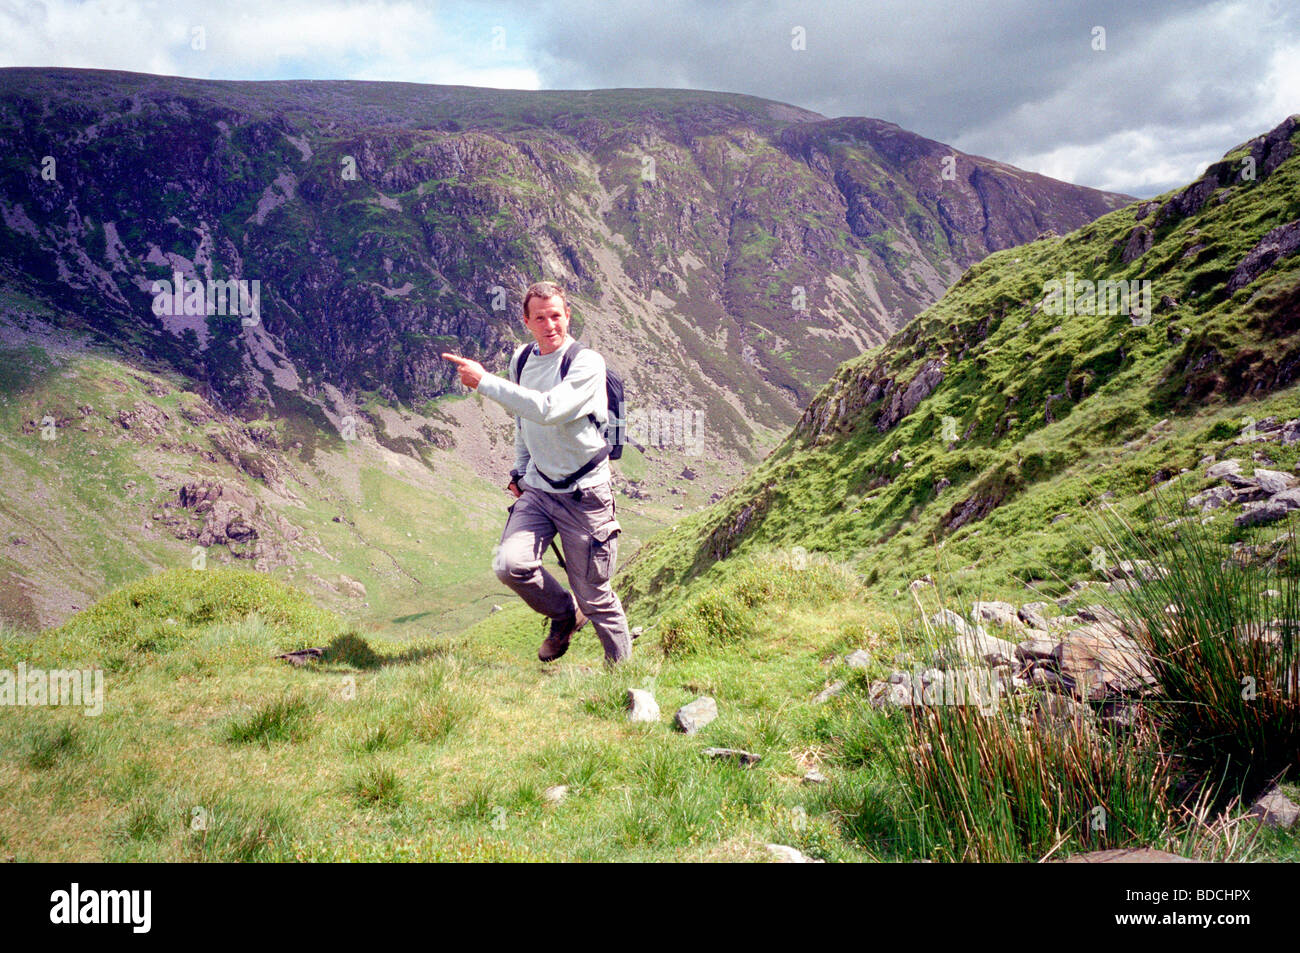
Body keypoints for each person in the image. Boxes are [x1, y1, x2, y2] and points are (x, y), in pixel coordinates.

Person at [441, 281, 632, 665]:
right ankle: (563, 615)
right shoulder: (522, 360)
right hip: (540, 490)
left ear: (568, 316)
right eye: (540, 317)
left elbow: (548, 409)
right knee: (510, 565)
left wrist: (484, 382)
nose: (550, 325)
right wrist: (521, 470)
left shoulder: (586, 363)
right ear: (526, 321)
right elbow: (524, 421)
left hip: (586, 495)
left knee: (596, 596)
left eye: (557, 315)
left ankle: (622, 677)